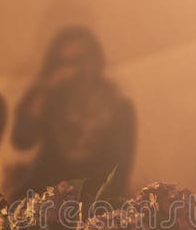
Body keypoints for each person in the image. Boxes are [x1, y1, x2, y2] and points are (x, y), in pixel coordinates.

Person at [10, 26, 135, 195]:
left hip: (90, 202)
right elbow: (22, 140)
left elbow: (119, 172)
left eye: (79, 60)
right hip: (42, 195)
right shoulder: (50, 99)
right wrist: (44, 90)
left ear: (95, 61)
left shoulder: (120, 108)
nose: (72, 70)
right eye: (63, 62)